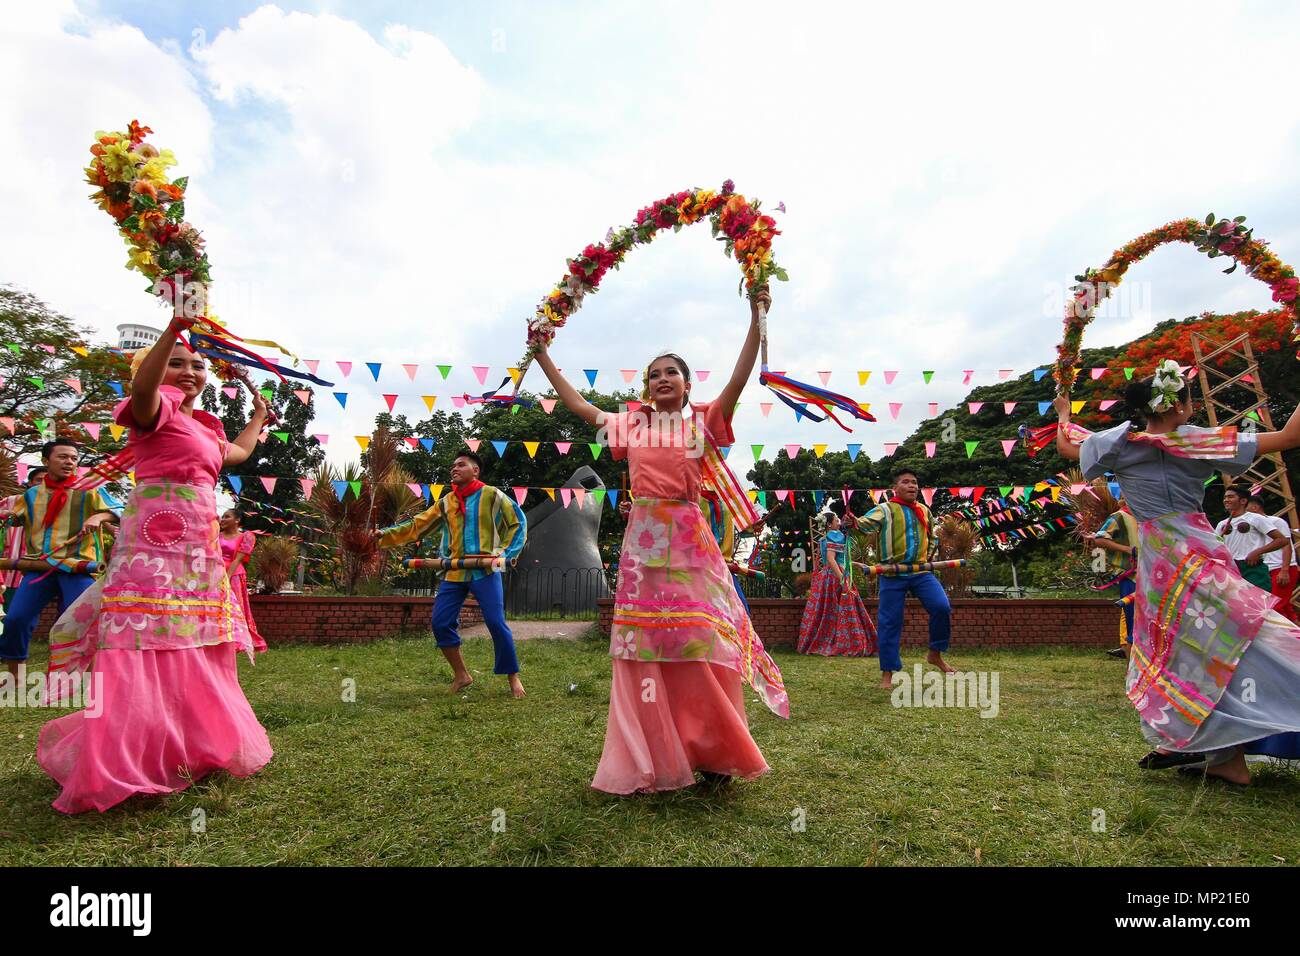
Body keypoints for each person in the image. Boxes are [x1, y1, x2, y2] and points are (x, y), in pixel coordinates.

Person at [534, 288, 789, 794]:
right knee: (646, 647)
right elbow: (578, 404)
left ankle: (716, 753)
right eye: (654, 374)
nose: (662, 379)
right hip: (641, 548)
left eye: (671, 372)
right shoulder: (629, 425)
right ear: (647, 388)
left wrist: (756, 318)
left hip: (692, 543)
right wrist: (542, 354)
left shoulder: (702, 423)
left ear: (688, 384)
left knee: (702, 641)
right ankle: (654, 756)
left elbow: (739, 378)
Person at [36, 317, 273, 813]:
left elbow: (236, 454)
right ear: (157, 370)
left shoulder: (205, 425)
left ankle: (192, 748)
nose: (190, 372)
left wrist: (259, 418)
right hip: (151, 547)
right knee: (140, 638)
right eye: (178, 364)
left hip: (199, 548)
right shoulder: (153, 409)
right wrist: (174, 327)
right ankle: (123, 761)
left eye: (198, 365)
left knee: (194, 640)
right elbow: (143, 389)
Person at [1054, 359, 1300, 786]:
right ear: (1181, 407)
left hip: (1160, 562)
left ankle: (1208, 748)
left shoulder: (1120, 443)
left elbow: (1067, 448)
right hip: (1200, 551)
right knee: (1236, 640)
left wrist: (1063, 414)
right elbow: (1290, 437)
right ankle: (1218, 753)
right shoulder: (1201, 440)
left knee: (1185, 649)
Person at [376, 451, 527, 699]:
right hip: (453, 572)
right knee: (440, 623)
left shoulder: (492, 495)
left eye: (461, 465)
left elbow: (518, 522)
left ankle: (513, 677)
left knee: (495, 623)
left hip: (485, 569)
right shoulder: (446, 501)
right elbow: (417, 526)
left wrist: (505, 552)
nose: (454, 469)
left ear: (475, 470)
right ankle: (461, 674)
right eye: (452, 466)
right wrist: (384, 535)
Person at [0, 441, 116, 677]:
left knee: (86, 621)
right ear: (46, 461)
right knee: (16, 620)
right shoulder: (32, 494)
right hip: (38, 566)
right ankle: (15, 678)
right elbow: (16, 518)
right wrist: (9, 518)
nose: (69, 462)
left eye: (73, 458)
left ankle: (93, 677)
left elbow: (119, 509)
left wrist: (98, 518)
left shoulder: (89, 490)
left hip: (77, 567)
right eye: (63, 457)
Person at [853, 468, 956, 690]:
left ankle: (935, 654)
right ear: (894, 488)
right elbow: (863, 524)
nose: (912, 486)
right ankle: (888, 674)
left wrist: (927, 560)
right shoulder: (885, 509)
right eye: (906, 482)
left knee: (942, 607)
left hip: (921, 572)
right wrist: (852, 521)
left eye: (915, 483)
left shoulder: (924, 511)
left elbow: (930, 539)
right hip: (892, 574)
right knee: (890, 623)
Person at [797, 508, 877, 657]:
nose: (839, 523)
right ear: (829, 524)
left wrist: (858, 565)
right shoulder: (835, 535)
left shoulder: (825, 537)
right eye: (836, 520)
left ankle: (828, 640)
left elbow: (838, 559)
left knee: (829, 612)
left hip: (828, 576)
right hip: (836, 575)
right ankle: (846, 643)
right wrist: (842, 579)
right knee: (844, 610)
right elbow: (832, 559)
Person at [1090, 492, 1139, 657]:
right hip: (1130, 575)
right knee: (1132, 622)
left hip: (1151, 575)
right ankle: (1131, 671)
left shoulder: (1146, 517)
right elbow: (1100, 538)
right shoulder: (1120, 516)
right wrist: (1127, 550)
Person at [1214, 484, 1288, 594]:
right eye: (1225, 497)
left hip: (1252, 568)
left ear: (1243, 501)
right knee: (1235, 608)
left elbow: (1282, 540)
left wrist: (1258, 552)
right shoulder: (1222, 524)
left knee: (1258, 607)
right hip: (1231, 569)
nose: (1226, 500)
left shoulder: (1255, 518)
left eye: (1230, 497)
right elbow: (1216, 547)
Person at [220, 508, 267, 653]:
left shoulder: (246, 536)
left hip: (233, 574)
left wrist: (226, 578)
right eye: (222, 516)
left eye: (227, 516)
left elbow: (238, 559)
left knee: (233, 606)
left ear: (237, 520)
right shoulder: (216, 535)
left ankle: (236, 639)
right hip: (215, 572)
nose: (222, 519)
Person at [1245, 496, 1297, 624]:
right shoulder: (1251, 526)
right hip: (1266, 570)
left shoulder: (1275, 521)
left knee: (1273, 609)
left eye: (1245, 508)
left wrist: (1285, 570)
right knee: (1284, 610)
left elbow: (1286, 545)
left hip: (1281, 568)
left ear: (1254, 507)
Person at [1, 466, 46, 596]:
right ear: (30, 482)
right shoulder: (12, 500)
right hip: (6, 569)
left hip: (37, 570)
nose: (43, 484)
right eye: (39, 480)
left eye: (47, 480)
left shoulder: (61, 505)